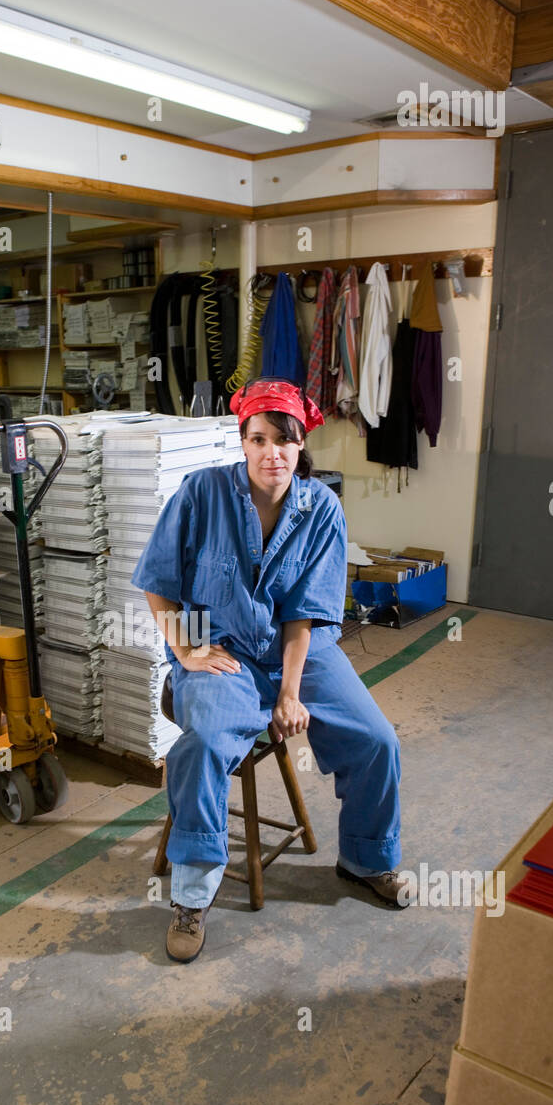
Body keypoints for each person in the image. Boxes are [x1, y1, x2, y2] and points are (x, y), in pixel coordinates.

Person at [131, 377, 410, 964]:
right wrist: (185, 652)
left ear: (301, 444)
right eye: (258, 439)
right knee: (202, 745)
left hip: (298, 648)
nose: (270, 453)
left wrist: (288, 693)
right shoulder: (201, 493)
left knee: (377, 739)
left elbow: (306, 612)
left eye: (284, 441)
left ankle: (366, 859)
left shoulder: (322, 509)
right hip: (217, 642)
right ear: (243, 441)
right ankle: (191, 896)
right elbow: (159, 583)